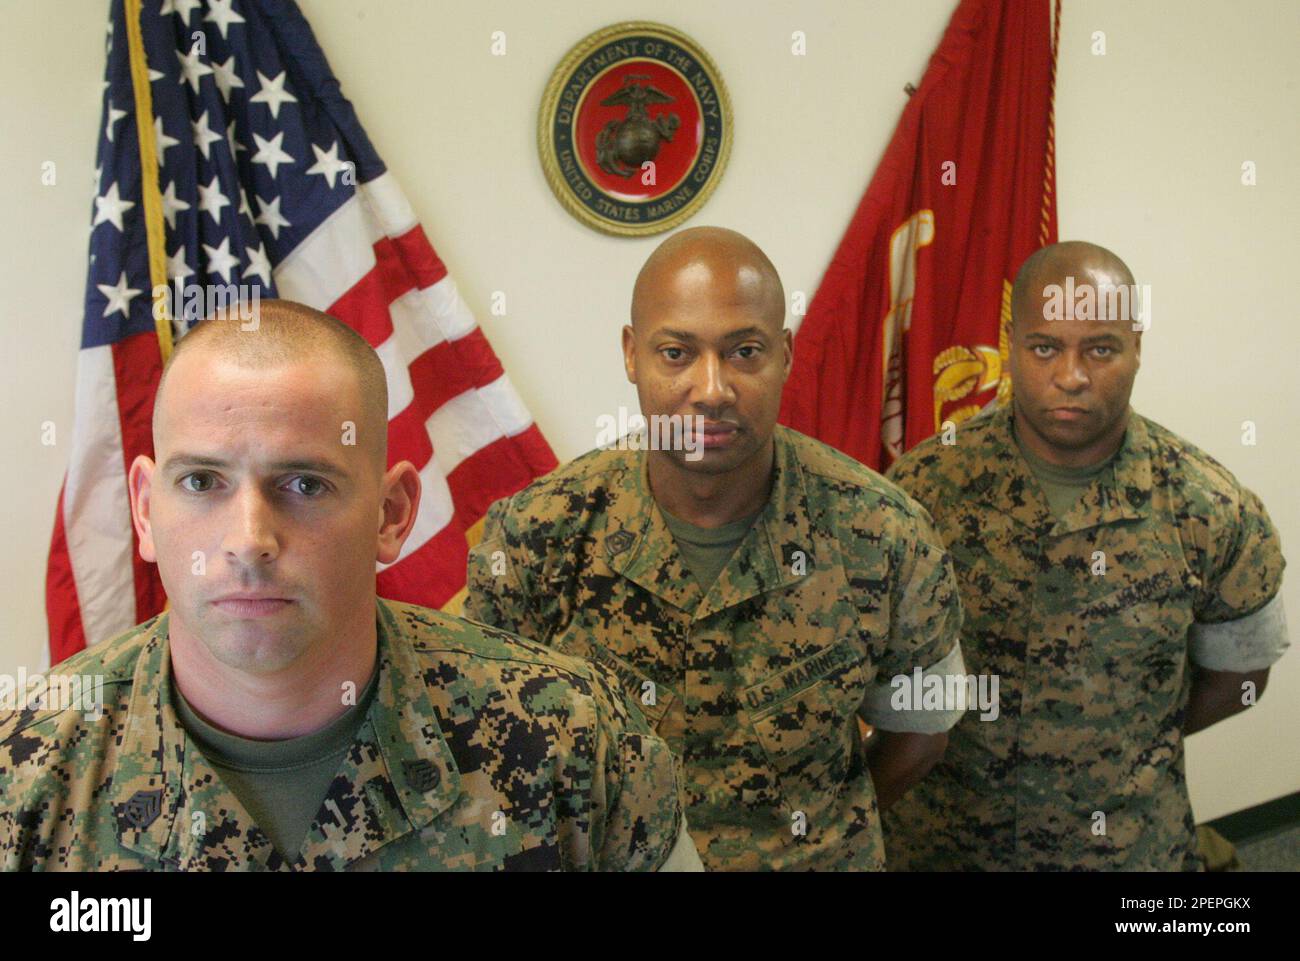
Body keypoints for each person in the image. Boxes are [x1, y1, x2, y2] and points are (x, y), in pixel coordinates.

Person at [0, 299, 697, 872]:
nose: (249, 539)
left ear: (391, 515)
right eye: (202, 482)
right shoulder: (25, 771)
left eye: (304, 483)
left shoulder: (565, 740)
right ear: (147, 510)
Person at [465, 227, 966, 870]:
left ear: (784, 354)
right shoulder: (537, 538)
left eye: (744, 352)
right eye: (676, 353)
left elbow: (917, 741)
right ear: (630, 354)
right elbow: (493, 760)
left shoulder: (883, 532)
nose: (711, 389)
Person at [881, 241, 1289, 870]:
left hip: (1127, 853)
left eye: (1100, 348)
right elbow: (880, 677)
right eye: (1045, 347)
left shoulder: (1210, 507)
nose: (1071, 376)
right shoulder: (921, 491)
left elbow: (1239, 680)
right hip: (946, 848)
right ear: (1013, 345)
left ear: (1137, 347)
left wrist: (1117, 746)